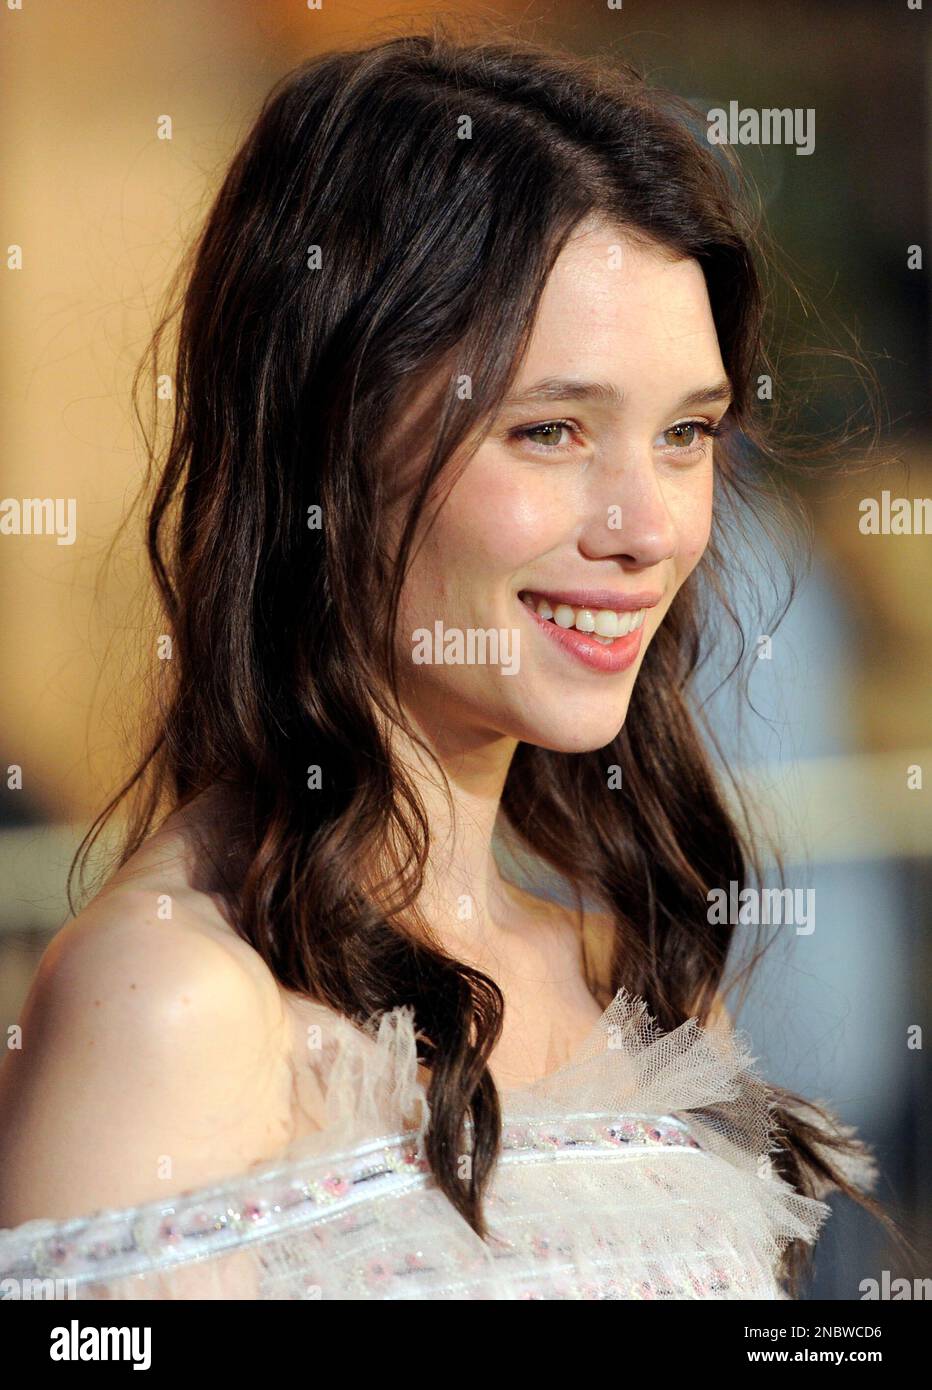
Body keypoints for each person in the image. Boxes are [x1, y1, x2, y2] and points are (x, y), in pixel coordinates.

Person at [0, 31, 881, 1300]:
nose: (648, 528)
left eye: (686, 432)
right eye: (551, 430)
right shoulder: (178, 1004)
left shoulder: (638, 988)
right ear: (329, 443)